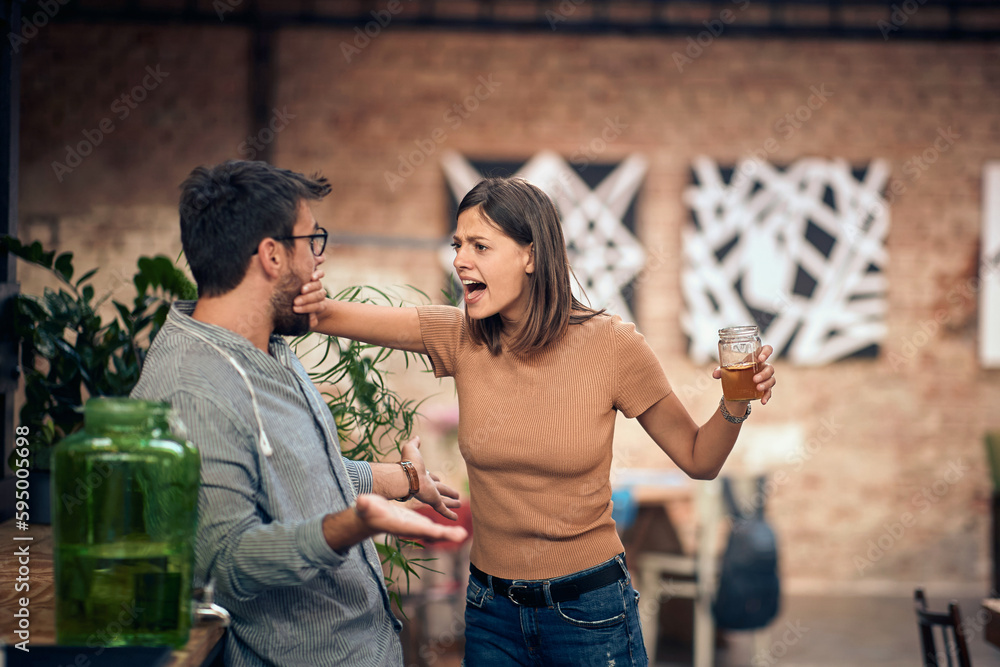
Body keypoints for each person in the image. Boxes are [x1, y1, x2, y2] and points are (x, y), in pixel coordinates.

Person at [296, 176, 776, 666]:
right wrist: (293, 277)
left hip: (590, 614)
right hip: (491, 613)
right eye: (458, 245)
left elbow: (700, 458)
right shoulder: (461, 335)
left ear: (531, 255)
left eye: (481, 246)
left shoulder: (613, 346)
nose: (461, 260)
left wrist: (736, 401)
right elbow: (325, 316)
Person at [131, 160, 467, 667]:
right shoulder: (192, 389)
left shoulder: (270, 348)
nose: (319, 259)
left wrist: (400, 479)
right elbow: (220, 564)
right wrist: (345, 529)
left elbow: (295, 479)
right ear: (271, 255)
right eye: (312, 241)